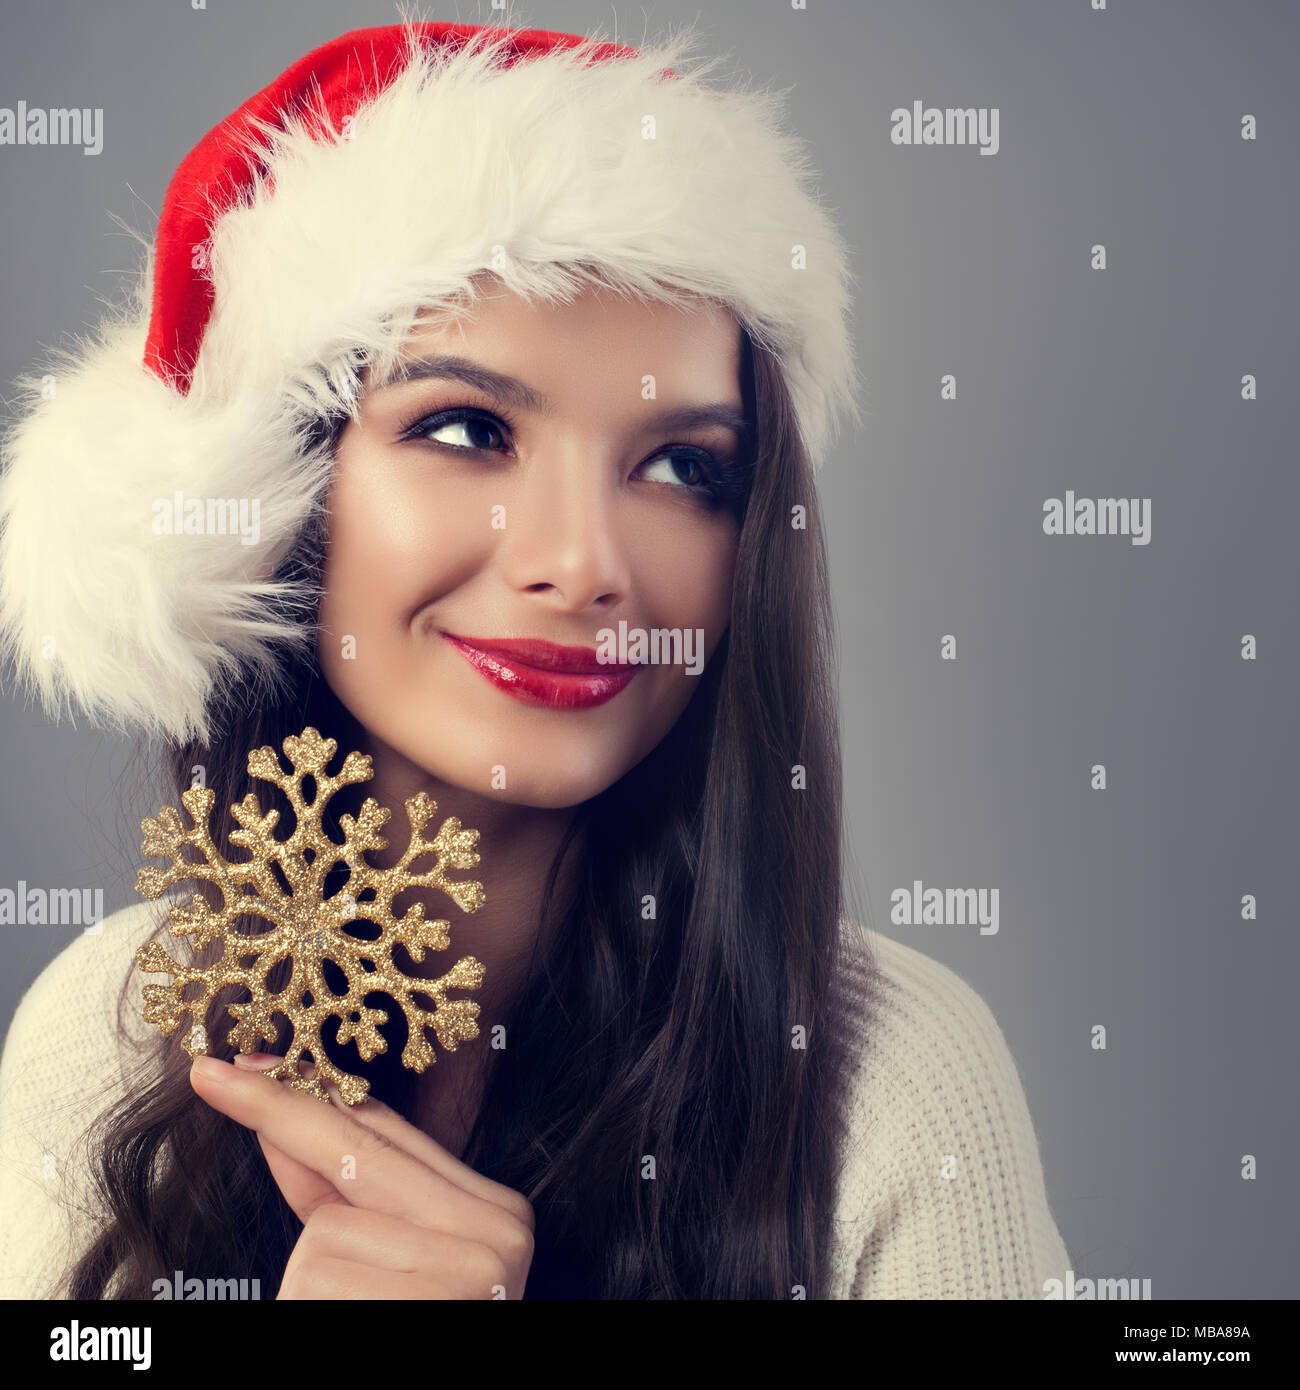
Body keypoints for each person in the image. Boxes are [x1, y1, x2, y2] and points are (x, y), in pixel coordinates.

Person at [0, 18, 1069, 1299]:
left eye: (684, 466)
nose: (583, 561)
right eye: (465, 427)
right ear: (284, 492)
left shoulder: (896, 1081)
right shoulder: (112, 1027)